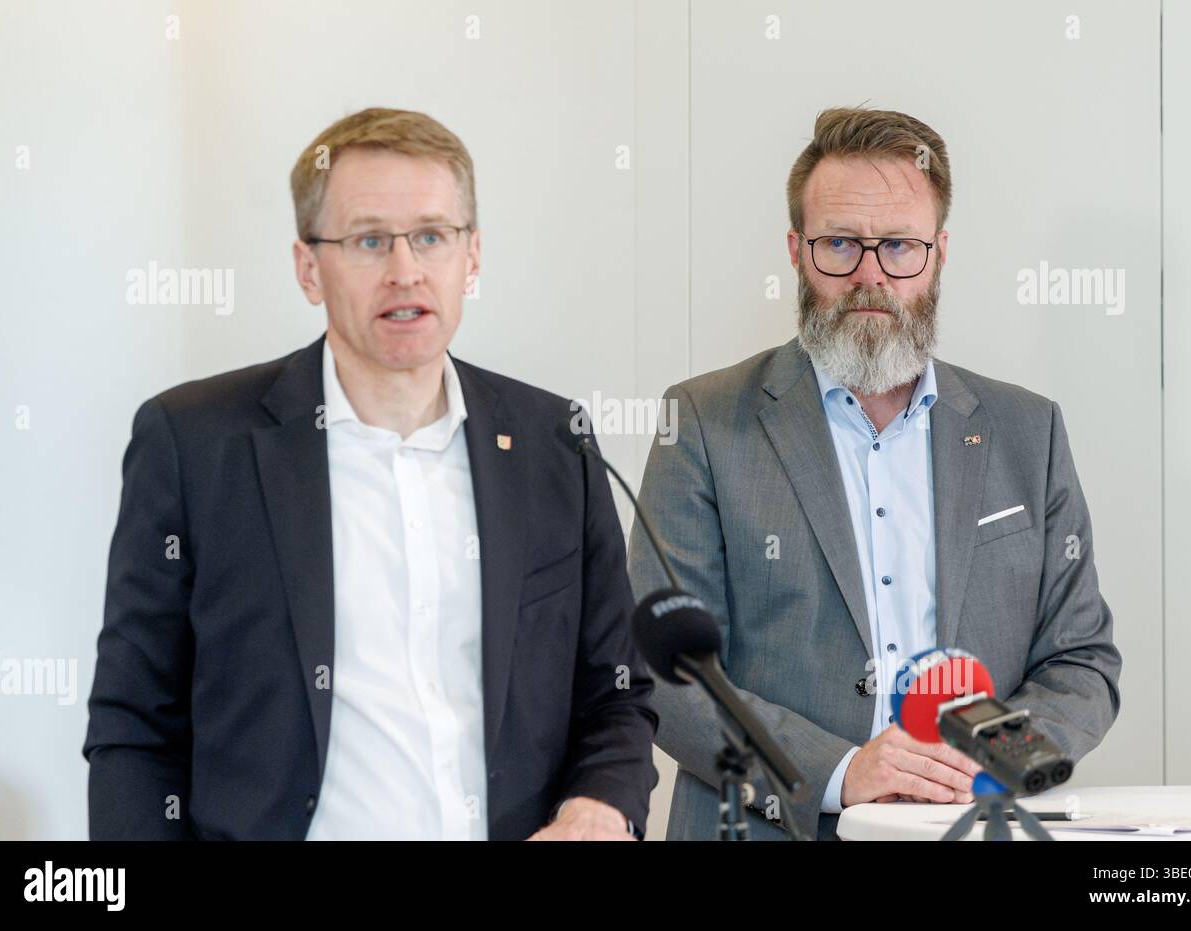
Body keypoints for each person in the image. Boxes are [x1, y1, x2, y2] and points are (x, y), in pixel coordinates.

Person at [84, 108, 657, 840]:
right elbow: (134, 723)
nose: (405, 269)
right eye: (368, 240)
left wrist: (598, 807)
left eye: (430, 235)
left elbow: (617, 693)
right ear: (307, 268)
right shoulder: (195, 444)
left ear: (471, 256)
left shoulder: (555, 442)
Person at [629, 106, 1122, 841]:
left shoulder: (1030, 429)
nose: (869, 275)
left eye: (898, 246)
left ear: (939, 252)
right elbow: (662, 670)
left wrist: (985, 759)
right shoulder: (701, 421)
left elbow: (1082, 659)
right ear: (797, 250)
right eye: (839, 244)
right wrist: (841, 771)